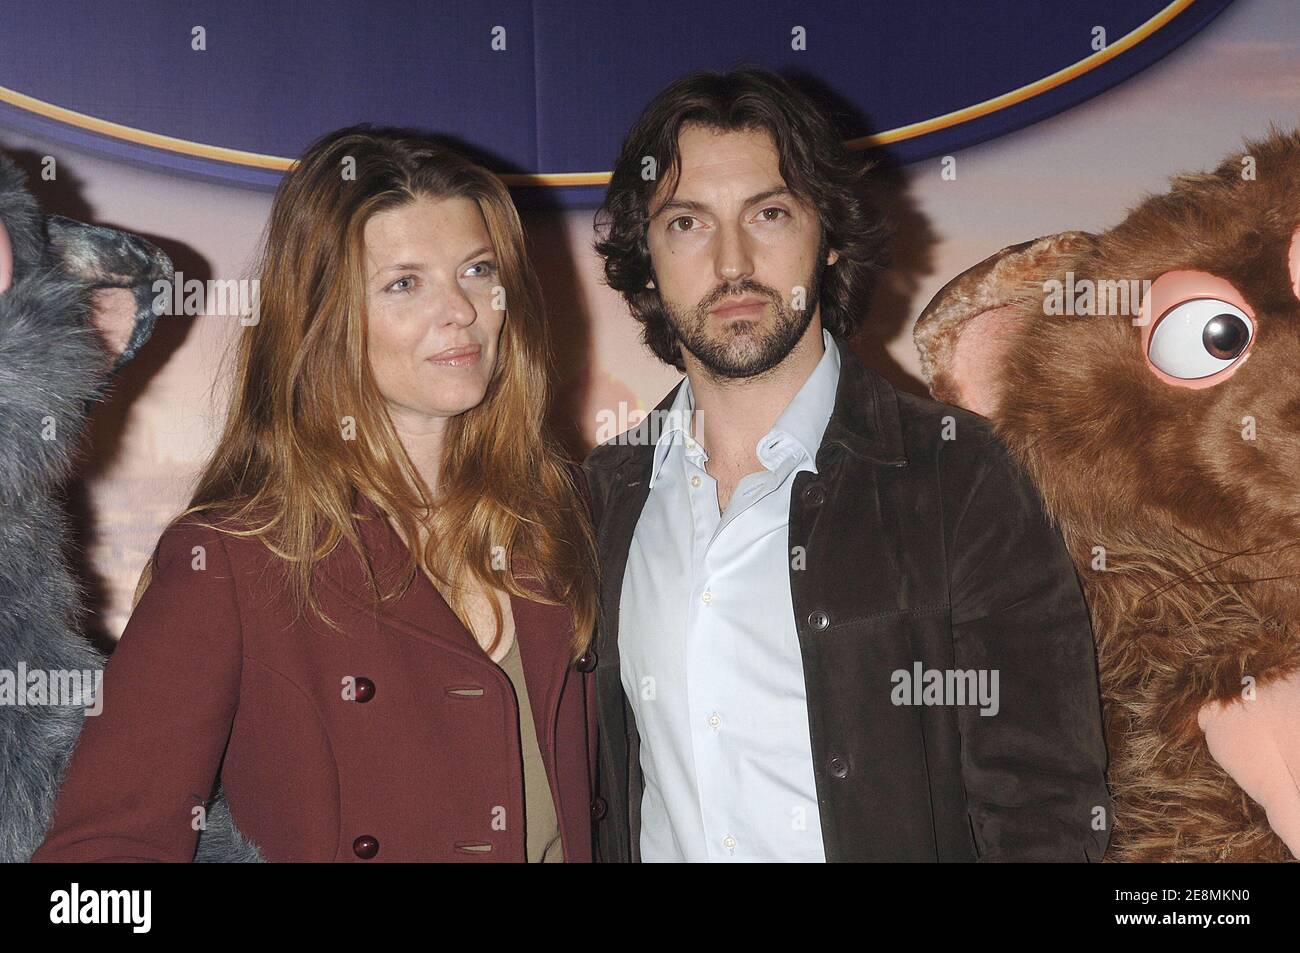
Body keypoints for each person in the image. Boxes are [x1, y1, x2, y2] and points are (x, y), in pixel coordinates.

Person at [584, 67, 1111, 862]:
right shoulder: (599, 498)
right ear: (647, 258)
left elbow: (1046, 804)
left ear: (827, 238)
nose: (732, 262)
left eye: (769, 213)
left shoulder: (957, 476)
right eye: (687, 223)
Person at [33, 126, 599, 863]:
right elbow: (95, 870)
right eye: (405, 282)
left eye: (476, 270)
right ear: (322, 318)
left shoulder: (563, 519)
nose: (459, 309)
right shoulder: (232, 560)